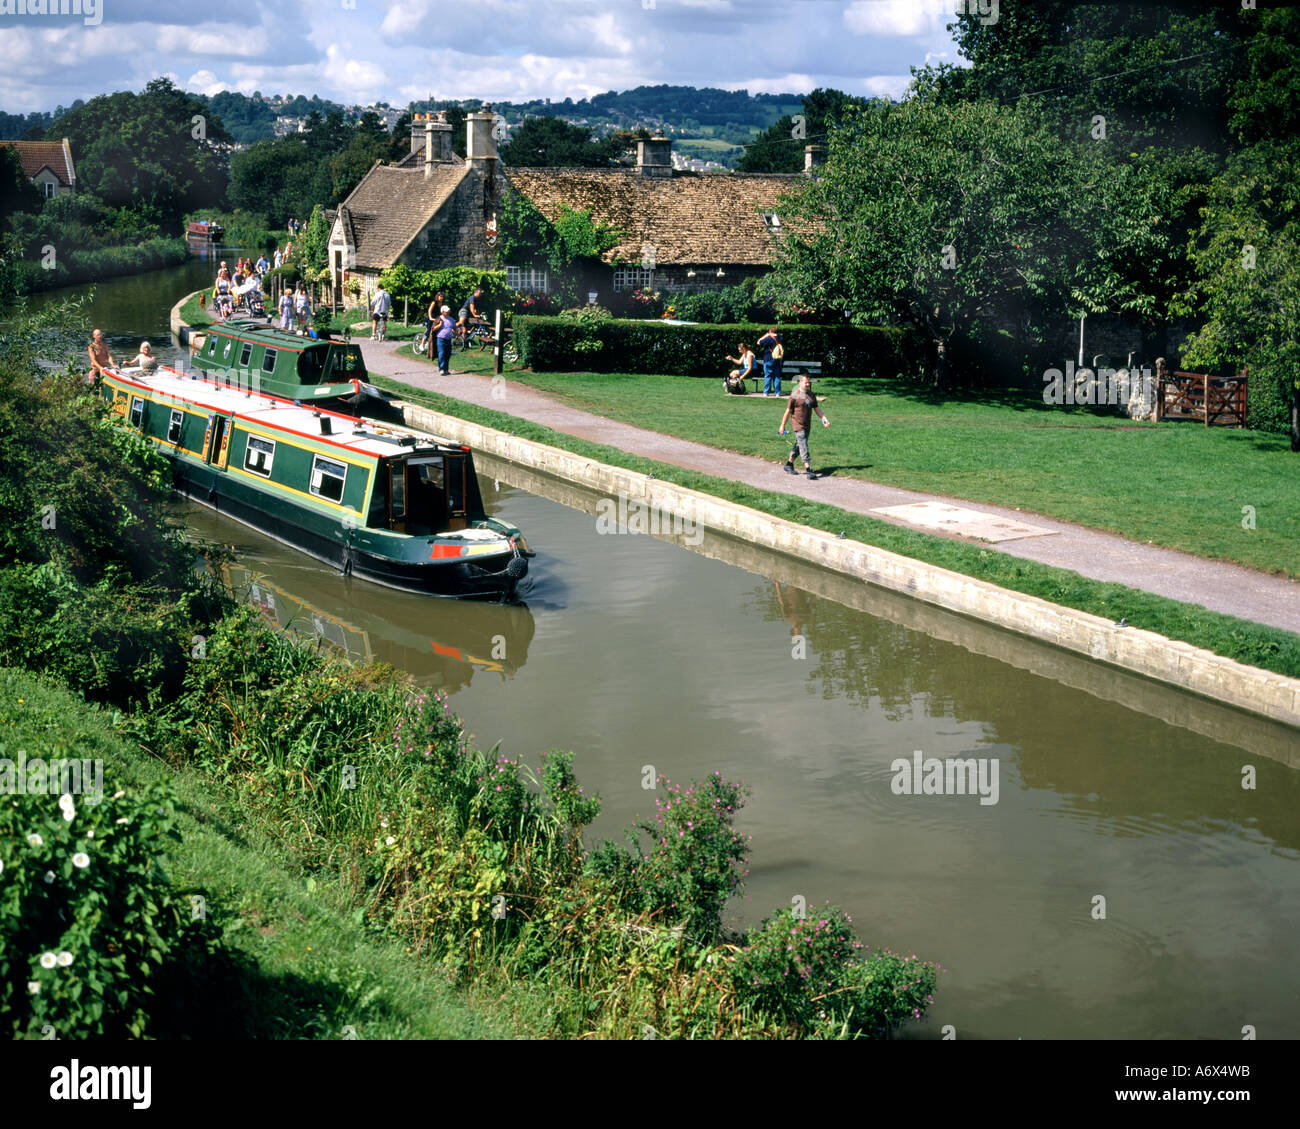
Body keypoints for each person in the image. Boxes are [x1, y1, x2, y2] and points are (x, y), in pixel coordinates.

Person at [778, 372, 830, 479]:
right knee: (803, 445)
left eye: (808, 382)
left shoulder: (811, 395)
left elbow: (817, 409)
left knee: (799, 445)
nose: (808, 384)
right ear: (799, 382)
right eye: (805, 382)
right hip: (798, 425)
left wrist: (824, 419)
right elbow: (788, 411)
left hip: (807, 424)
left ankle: (789, 464)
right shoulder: (794, 396)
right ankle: (808, 469)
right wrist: (782, 425)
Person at [757, 326, 783, 396]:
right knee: (777, 376)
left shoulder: (768, 338)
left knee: (768, 376)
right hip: (778, 359)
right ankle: (777, 392)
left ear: (770, 331)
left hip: (768, 358)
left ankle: (766, 392)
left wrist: (765, 335)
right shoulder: (780, 338)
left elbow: (758, 342)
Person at [435, 304, 455, 374]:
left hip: (448, 339)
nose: (448, 312)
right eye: (446, 312)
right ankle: (441, 369)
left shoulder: (451, 319)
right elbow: (433, 328)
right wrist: (439, 324)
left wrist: (457, 333)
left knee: (448, 354)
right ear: (442, 312)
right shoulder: (439, 318)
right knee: (442, 353)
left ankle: (446, 369)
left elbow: (455, 327)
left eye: (448, 311)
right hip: (440, 339)